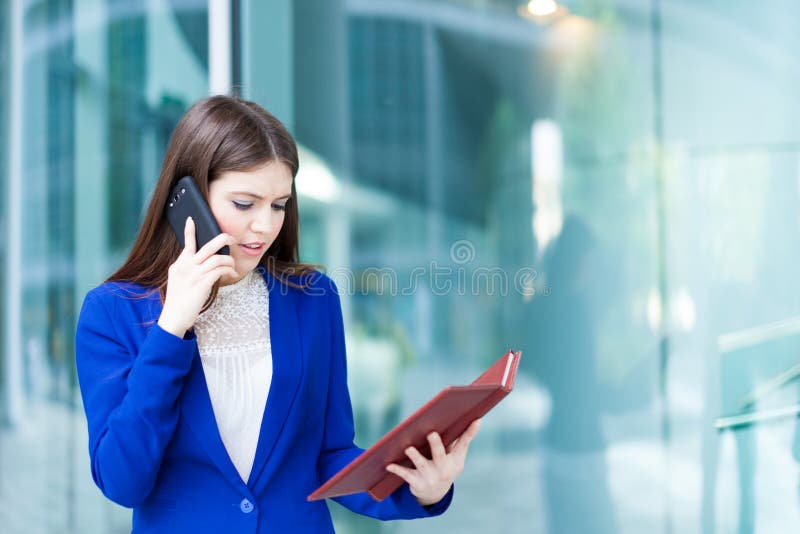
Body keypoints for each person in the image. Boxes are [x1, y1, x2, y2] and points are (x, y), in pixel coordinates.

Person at [75, 95, 481, 533]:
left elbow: (330, 455)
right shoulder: (111, 313)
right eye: (245, 204)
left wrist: (421, 490)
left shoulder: (312, 299)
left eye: (279, 204)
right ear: (186, 197)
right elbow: (122, 481)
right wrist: (171, 328)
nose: (266, 226)